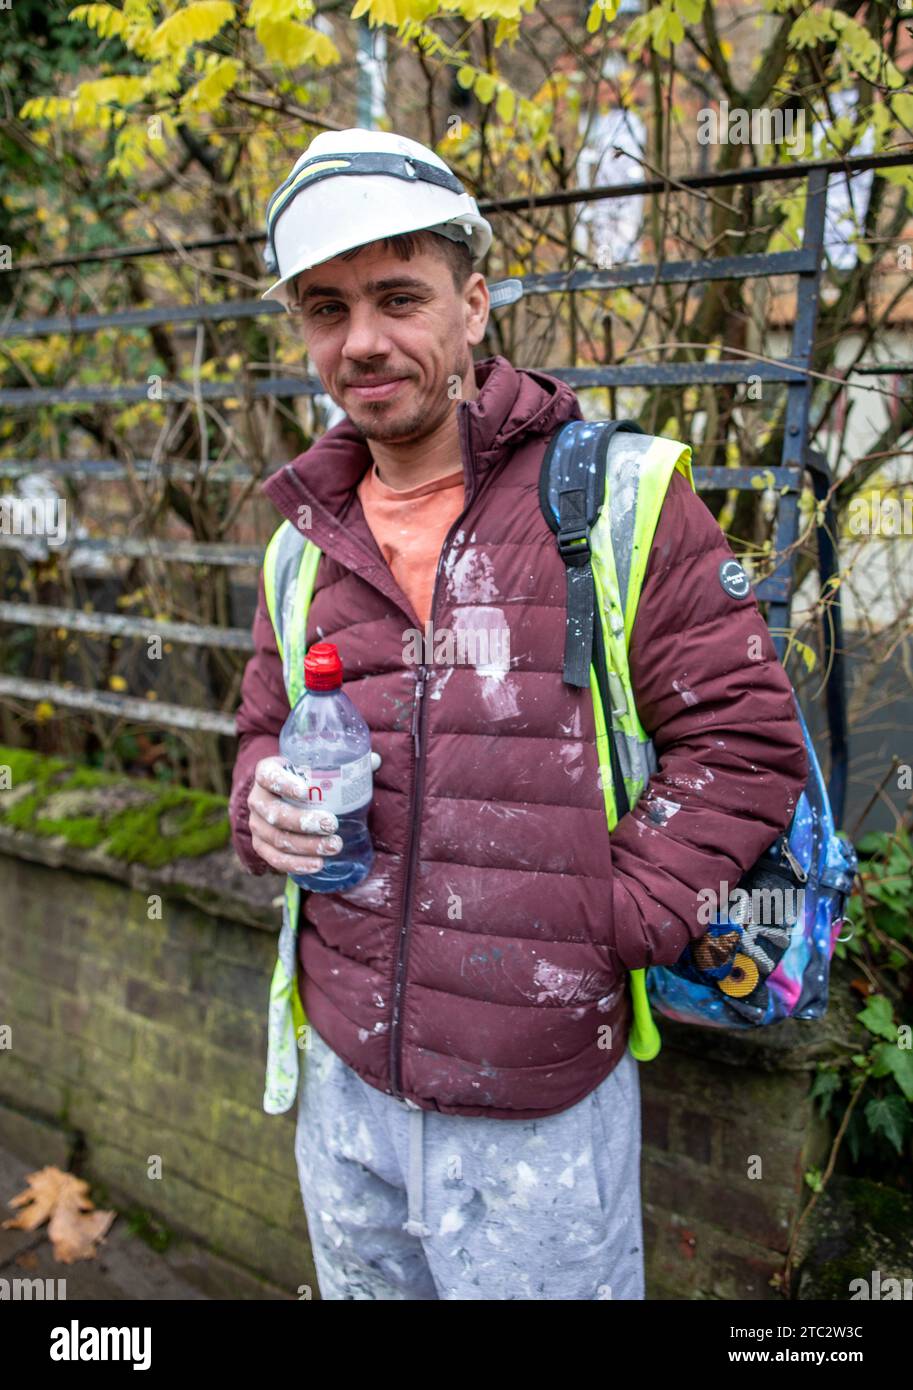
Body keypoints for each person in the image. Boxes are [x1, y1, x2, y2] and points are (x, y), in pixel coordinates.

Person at [228, 128, 808, 1300]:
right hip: (343, 1083)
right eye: (327, 309)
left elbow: (744, 743)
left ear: (476, 302)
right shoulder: (301, 543)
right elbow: (257, 736)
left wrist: (610, 916)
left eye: (399, 297)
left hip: (538, 1104)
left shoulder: (616, 498)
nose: (362, 340)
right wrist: (260, 808)